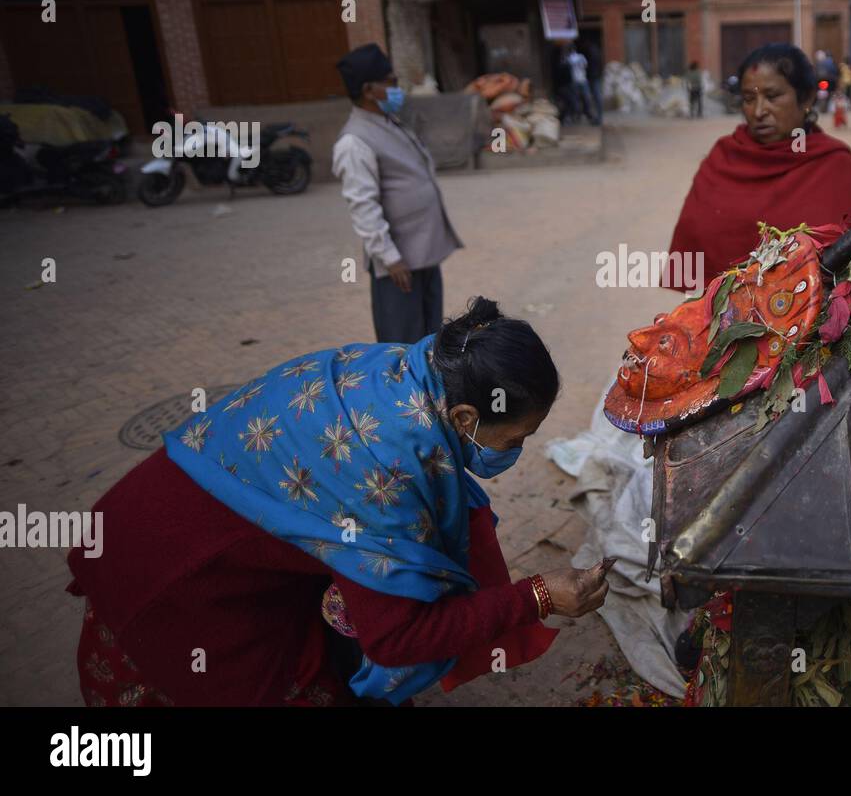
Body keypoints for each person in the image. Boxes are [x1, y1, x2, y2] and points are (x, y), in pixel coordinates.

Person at [65, 299, 610, 706]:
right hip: (174, 577)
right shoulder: (388, 471)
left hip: (152, 515)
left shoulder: (406, 371)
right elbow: (399, 637)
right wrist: (538, 595)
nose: (516, 450)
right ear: (466, 419)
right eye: (516, 439)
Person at [665, 42, 851, 288]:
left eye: (772, 97)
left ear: (806, 98)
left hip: (813, 321)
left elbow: (849, 264)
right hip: (722, 319)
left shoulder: (834, 165)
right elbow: (695, 238)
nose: (758, 111)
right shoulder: (724, 157)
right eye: (749, 99)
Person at [332, 43, 462, 344]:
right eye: (390, 81)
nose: (396, 87)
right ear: (368, 89)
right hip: (398, 264)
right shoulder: (354, 141)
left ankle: (429, 392)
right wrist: (389, 257)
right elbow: (363, 206)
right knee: (402, 346)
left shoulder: (388, 123)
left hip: (422, 253)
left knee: (430, 341)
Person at [565, 42, 599, 125]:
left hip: (576, 81)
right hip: (582, 80)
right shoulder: (580, 57)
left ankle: (580, 115)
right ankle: (583, 114)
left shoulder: (569, 58)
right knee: (585, 99)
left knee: (578, 100)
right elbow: (585, 66)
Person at [581, 38, 605, 124]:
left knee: (595, 96)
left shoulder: (591, 52)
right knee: (595, 96)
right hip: (595, 76)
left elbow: (592, 66)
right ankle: (596, 117)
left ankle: (597, 117)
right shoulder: (595, 51)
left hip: (593, 77)